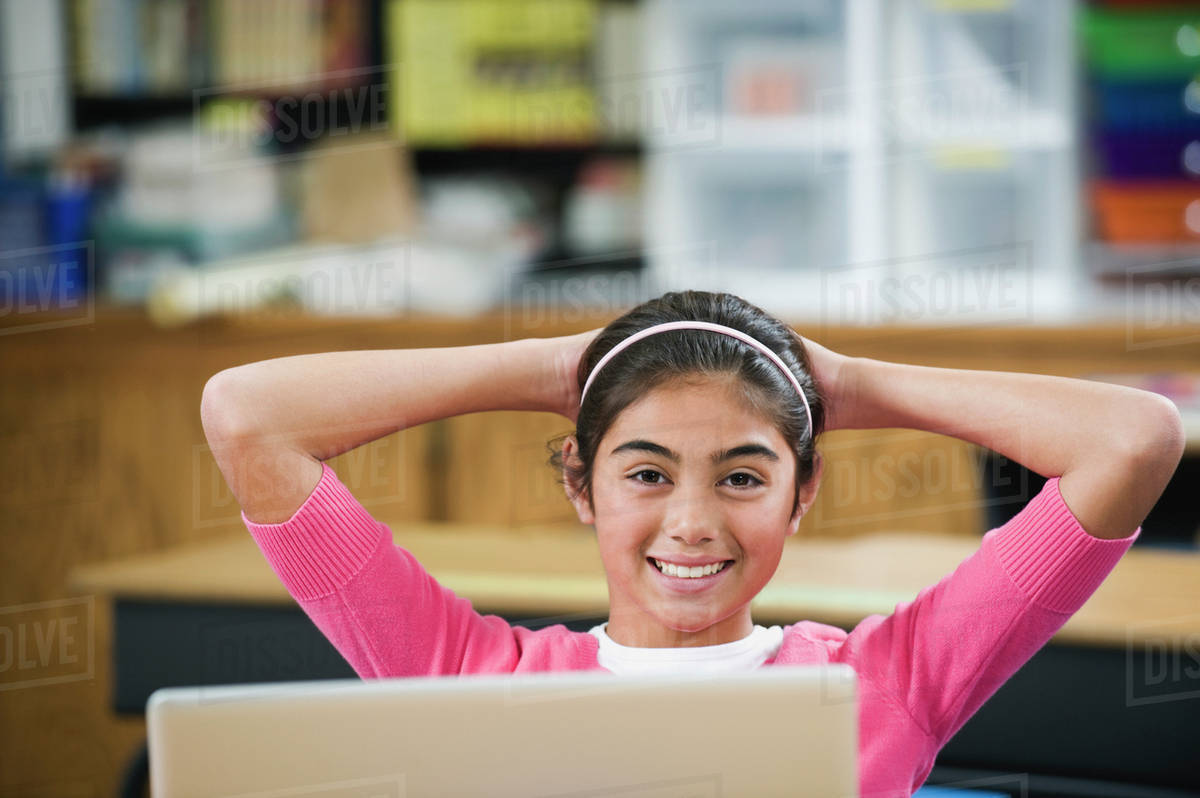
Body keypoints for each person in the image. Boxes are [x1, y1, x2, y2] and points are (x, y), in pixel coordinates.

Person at [200, 290, 1184, 796]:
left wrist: (843, 383)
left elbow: (1132, 441)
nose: (694, 522)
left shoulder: (887, 678)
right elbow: (247, 418)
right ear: (583, 487)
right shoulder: (464, 674)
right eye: (646, 472)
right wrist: (554, 365)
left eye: (746, 476)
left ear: (806, 495)